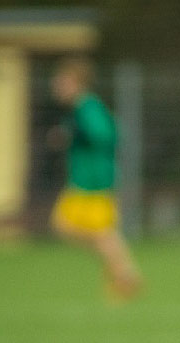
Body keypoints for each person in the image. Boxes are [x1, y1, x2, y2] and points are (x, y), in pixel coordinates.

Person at [49, 57, 142, 300]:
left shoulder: (87, 107)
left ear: (77, 83)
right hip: (83, 180)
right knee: (69, 227)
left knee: (99, 232)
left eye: (63, 81)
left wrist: (75, 134)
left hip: (94, 181)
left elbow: (107, 134)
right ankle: (121, 271)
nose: (57, 86)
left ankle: (124, 275)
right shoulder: (79, 109)